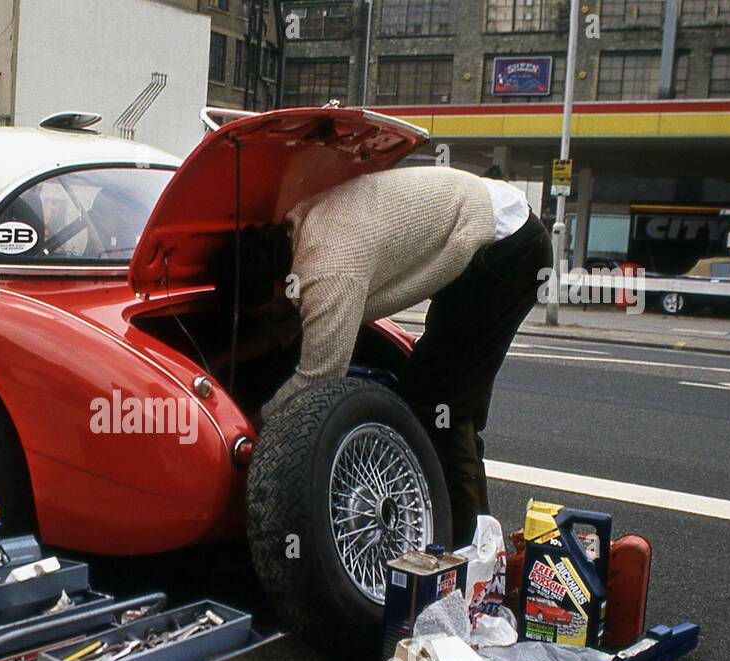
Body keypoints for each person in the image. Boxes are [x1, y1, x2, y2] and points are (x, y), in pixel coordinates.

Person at [224, 165, 552, 548]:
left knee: (437, 407)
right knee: (454, 404)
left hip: (506, 248)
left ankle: (467, 556)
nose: (275, 319)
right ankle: (480, 541)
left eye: (268, 310)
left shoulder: (329, 270)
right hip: (485, 232)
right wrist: (220, 360)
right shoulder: (297, 232)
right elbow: (286, 324)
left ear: (278, 286)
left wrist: (251, 422)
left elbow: (317, 381)